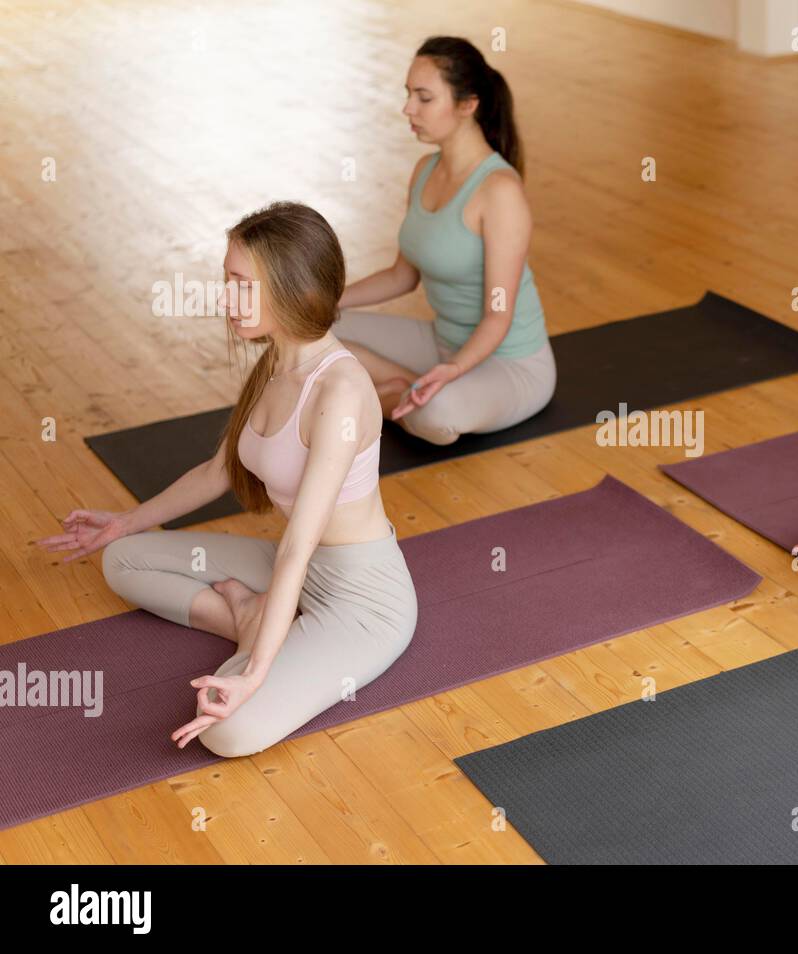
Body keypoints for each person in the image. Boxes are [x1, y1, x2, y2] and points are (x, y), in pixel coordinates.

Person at [36, 202, 417, 758]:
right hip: (300, 570)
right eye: (226, 281)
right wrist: (124, 521)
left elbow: (296, 546)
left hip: (361, 600)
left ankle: (260, 627)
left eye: (242, 285)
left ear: (290, 287)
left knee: (226, 729)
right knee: (124, 558)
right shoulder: (277, 364)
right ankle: (246, 614)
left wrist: (254, 674)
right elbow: (219, 471)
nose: (226, 299)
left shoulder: (339, 393)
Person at [334, 36, 556, 446]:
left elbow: (498, 317)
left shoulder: (500, 191)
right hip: (440, 343)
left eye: (424, 98)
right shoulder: (425, 170)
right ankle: (404, 388)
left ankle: (390, 394)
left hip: (508, 365)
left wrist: (453, 371)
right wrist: (330, 302)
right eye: (408, 95)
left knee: (437, 412)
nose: (408, 109)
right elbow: (403, 276)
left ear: (467, 104)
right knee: (312, 330)